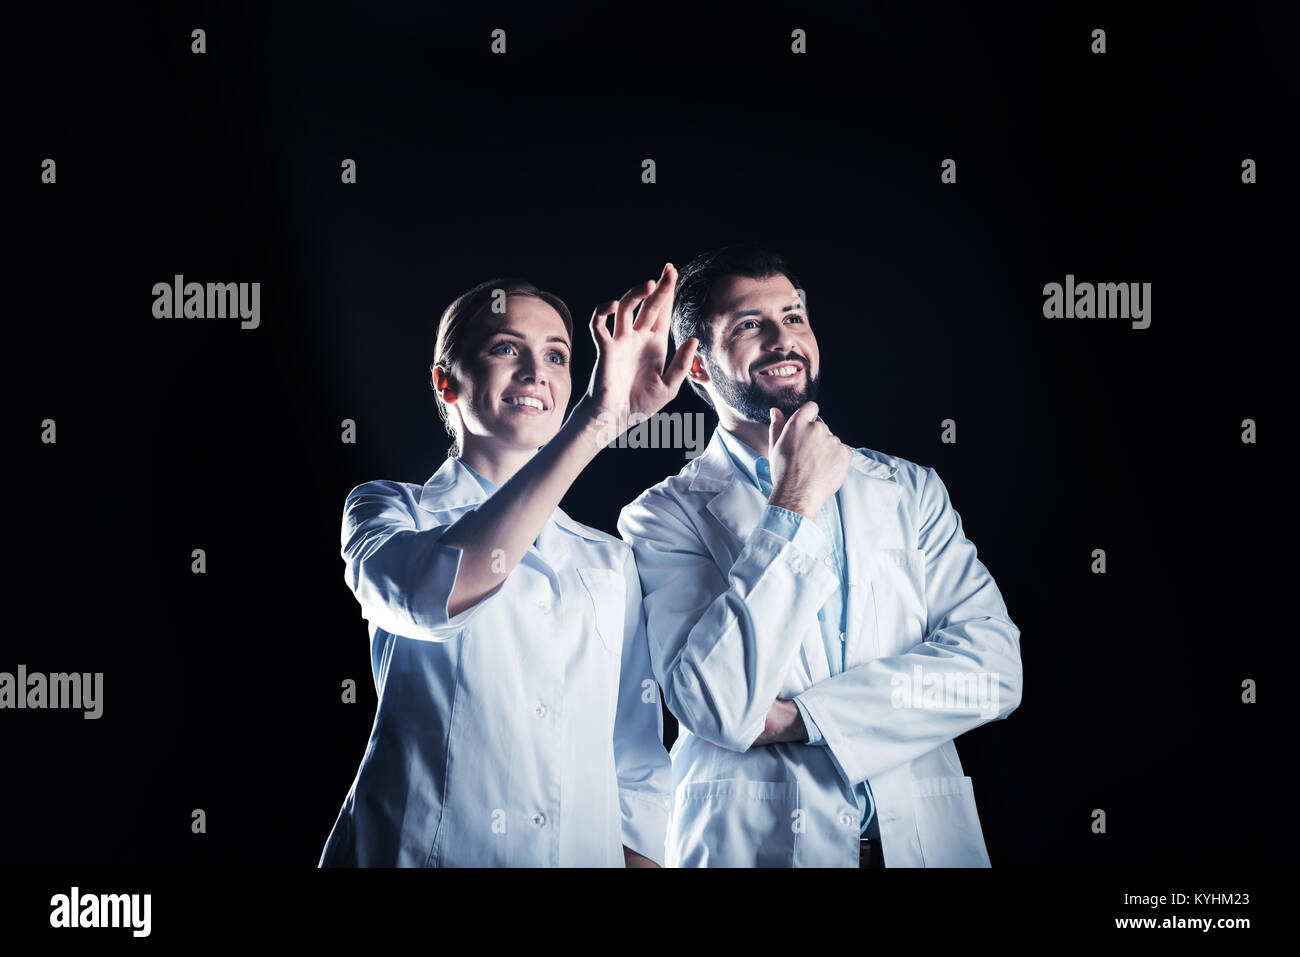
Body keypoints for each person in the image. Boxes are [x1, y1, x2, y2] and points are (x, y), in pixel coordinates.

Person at [617, 245, 1023, 867]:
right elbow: (716, 707)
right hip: (757, 846)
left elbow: (994, 670)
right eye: (751, 324)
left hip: (920, 841)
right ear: (697, 366)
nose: (784, 338)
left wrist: (801, 719)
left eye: (794, 317)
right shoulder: (663, 515)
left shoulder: (911, 491)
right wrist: (794, 503)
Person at [319, 265, 698, 867]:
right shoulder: (387, 509)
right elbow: (434, 594)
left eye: (556, 356)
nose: (535, 373)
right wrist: (597, 425)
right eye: (505, 348)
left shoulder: (608, 558)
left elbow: (634, 756)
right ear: (447, 383)